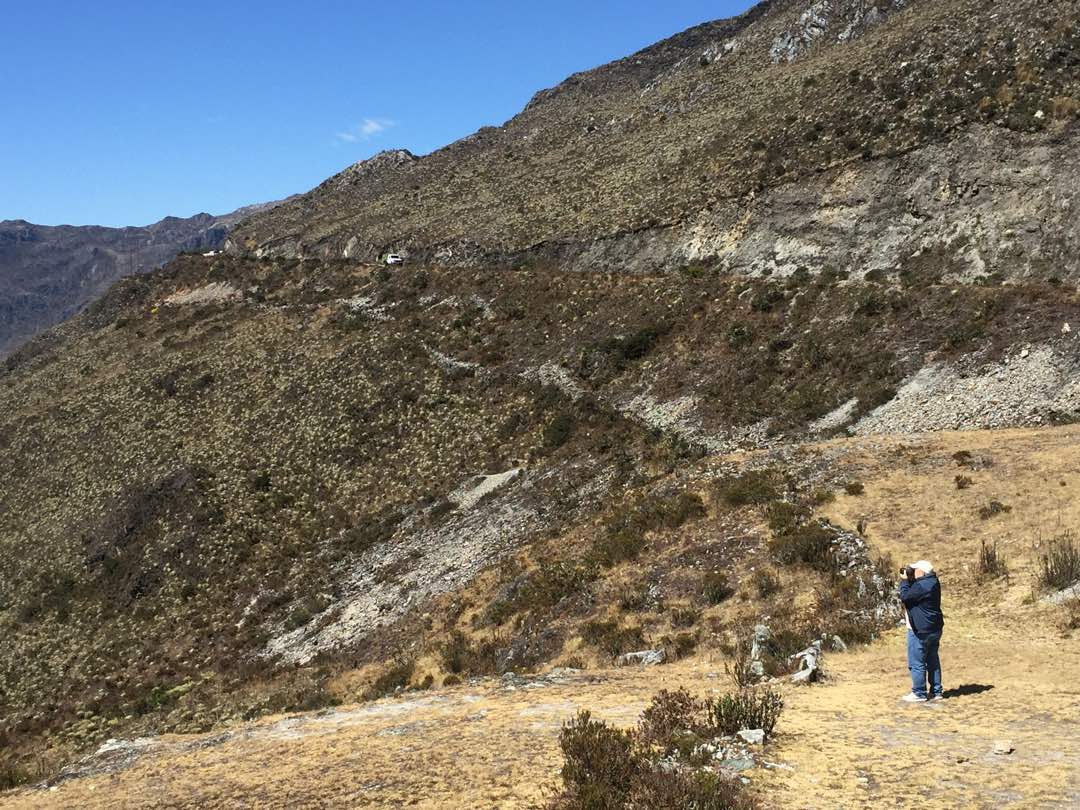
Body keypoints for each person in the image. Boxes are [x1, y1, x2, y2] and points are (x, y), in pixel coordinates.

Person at [899, 560, 944, 702]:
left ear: (922, 571)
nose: (913, 571)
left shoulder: (922, 585)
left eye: (915, 569)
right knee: (932, 660)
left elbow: (905, 597)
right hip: (934, 628)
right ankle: (936, 691)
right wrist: (911, 579)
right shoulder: (933, 582)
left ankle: (919, 693)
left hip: (919, 629)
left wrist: (905, 581)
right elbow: (916, 595)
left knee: (917, 661)